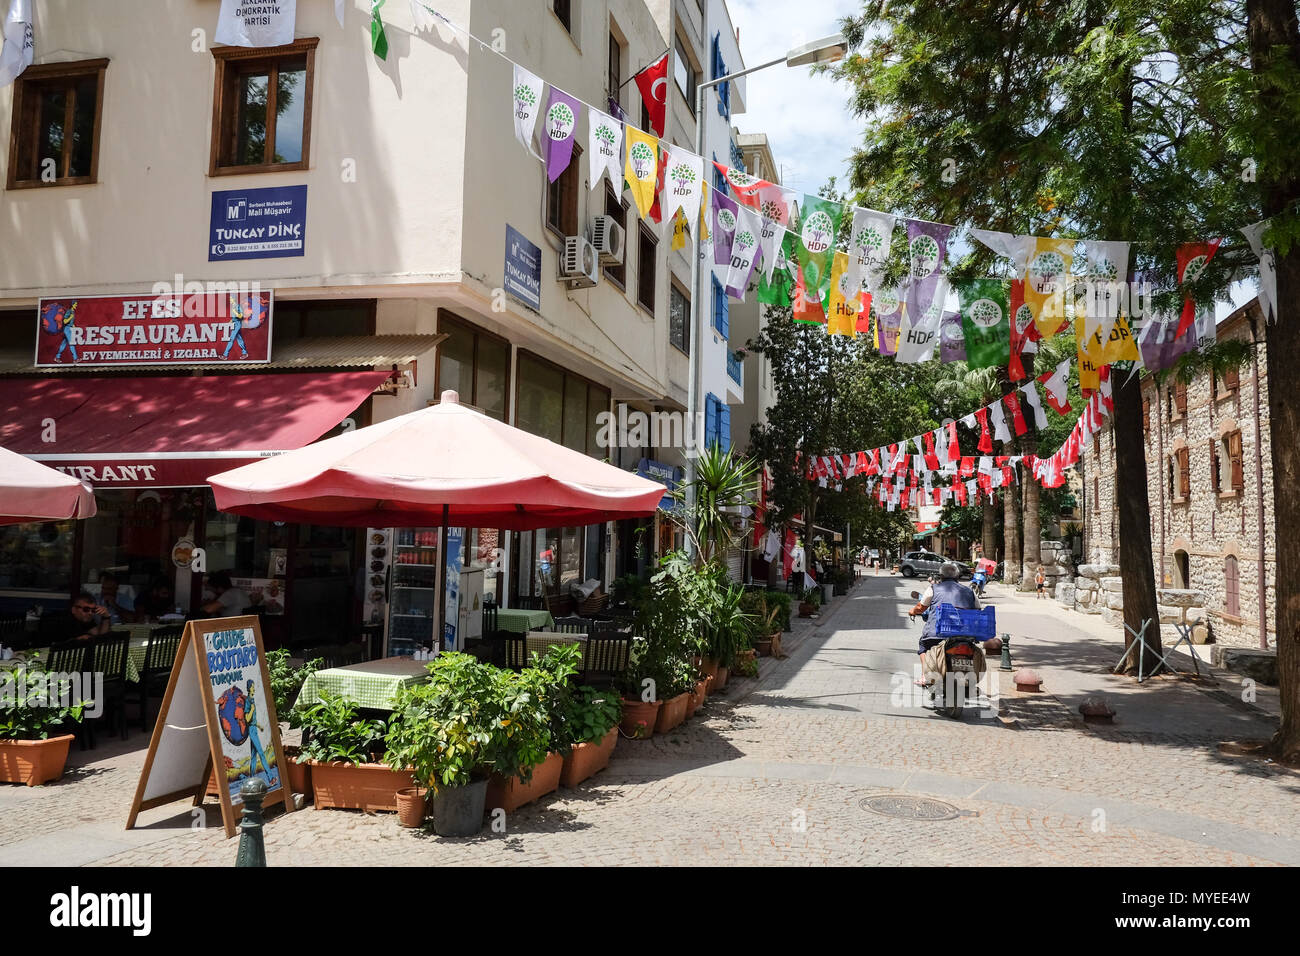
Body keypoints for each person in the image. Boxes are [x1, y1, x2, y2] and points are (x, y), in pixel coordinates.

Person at [909, 562, 980, 685]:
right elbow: (978, 610)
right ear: (957, 576)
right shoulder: (969, 591)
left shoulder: (933, 588)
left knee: (923, 647)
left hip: (937, 634)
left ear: (940, 576)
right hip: (964, 633)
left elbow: (921, 607)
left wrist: (912, 611)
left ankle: (926, 676)